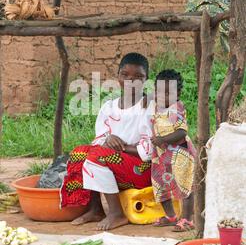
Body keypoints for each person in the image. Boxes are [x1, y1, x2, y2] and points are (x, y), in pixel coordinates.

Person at [60, 53, 153, 230]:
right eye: (125, 75)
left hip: (141, 170)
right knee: (81, 152)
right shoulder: (109, 107)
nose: (130, 81)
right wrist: (108, 140)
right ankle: (96, 209)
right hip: (115, 165)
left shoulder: (150, 107)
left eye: (138, 77)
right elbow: (99, 140)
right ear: (118, 76)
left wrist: (122, 147)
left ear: (146, 79)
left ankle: (117, 213)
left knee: (98, 157)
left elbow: (149, 152)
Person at [151, 69, 197, 231]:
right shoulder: (156, 108)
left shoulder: (177, 108)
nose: (162, 96)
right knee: (160, 184)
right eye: (159, 92)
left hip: (180, 154)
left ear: (177, 93)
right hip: (161, 155)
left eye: (167, 93)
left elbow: (181, 132)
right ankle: (171, 216)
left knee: (185, 186)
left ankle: (187, 219)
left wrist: (162, 139)